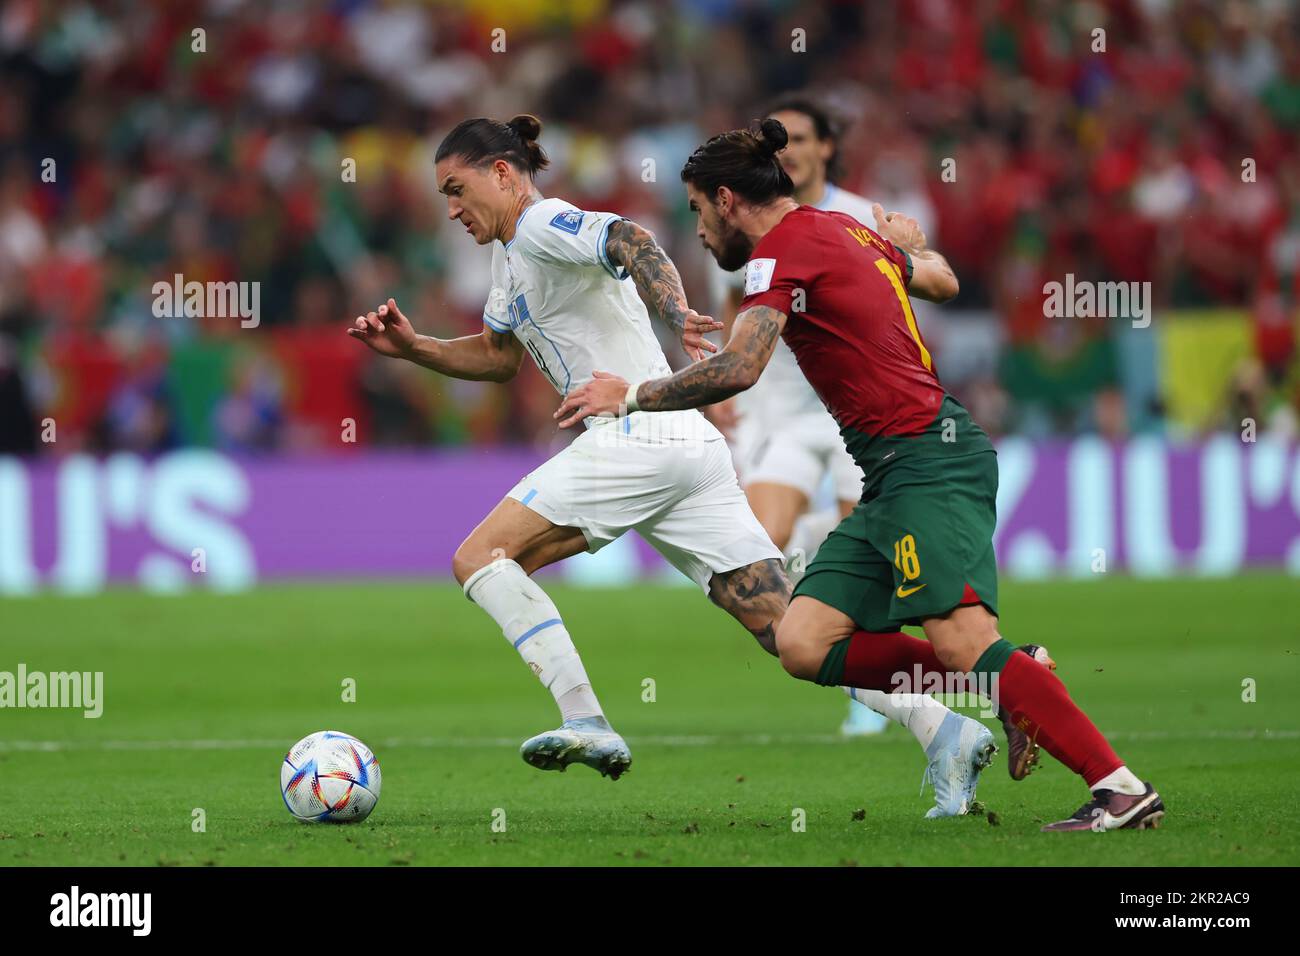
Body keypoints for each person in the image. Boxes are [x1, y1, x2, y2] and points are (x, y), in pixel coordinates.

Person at [349, 114, 997, 817]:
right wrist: (417, 349)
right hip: (683, 446)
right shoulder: (510, 260)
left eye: (457, 187)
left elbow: (631, 240)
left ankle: (587, 720)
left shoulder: (542, 224)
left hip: (631, 435)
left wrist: (677, 309)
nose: (450, 209)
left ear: (503, 174)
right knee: (787, 631)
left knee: (479, 558)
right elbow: (500, 359)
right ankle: (948, 725)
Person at [555, 119, 1165, 832]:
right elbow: (939, 278)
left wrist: (628, 395)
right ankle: (1013, 684)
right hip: (893, 474)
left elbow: (741, 368)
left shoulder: (780, 254)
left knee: (962, 642)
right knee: (804, 640)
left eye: (694, 209)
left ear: (726, 199)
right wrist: (912, 247)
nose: (696, 230)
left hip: (929, 461)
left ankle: (1118, 787)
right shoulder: (843, 230)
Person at [708, 96, 895, 738]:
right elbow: (741, 319)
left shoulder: (857, 217)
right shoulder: (750, 233)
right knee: (760, 548)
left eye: (803, 138)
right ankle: (820, 542)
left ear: (826, 148)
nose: (789, 149)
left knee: (866, 558)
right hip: (778, 408)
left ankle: (868, 700)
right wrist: (722, 387)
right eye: (780, 139)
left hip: (846, 410)